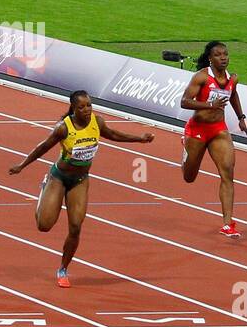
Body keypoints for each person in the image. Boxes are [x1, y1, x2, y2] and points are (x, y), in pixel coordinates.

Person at [9, 90, 154, 287]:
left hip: (80, 180)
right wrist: (22, 165)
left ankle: (63, 269)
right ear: (73, 108)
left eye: (89, 105)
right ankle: (45, 189)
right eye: (82, 107)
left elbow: (113, 135)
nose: (86, 110)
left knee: (76, 227)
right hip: (59, 177)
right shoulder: (64, 128)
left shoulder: (97, 122)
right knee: (44, 226)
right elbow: (43, 147)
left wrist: (139, 138)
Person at [180, 41, 247, 237]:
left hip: (219, 130)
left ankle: (227, 224)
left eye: (226, 54)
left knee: (227, 172)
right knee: (189, 177)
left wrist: (241, 118)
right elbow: (184, 101)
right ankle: (185, 147)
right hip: (197, 130)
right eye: (218, 55)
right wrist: (210, 104)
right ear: (210, 59)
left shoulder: (233, 79)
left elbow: (233, 95)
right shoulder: (202, 77)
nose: (223, 58)